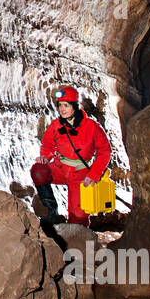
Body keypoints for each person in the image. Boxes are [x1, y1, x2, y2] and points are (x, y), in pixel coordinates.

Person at [31, 85, 111, 226]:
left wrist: (94, 174)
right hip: (60, 168)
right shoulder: (56, 125)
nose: (62, 109)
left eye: (66, 105)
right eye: (60, 105)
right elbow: (48, 144)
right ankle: (51, 213)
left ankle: (78, 241)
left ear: (75, 106)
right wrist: (45, 156)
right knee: (38, 171)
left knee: (78, 218)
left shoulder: (91, 126)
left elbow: (104, 151)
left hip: (80, 174)